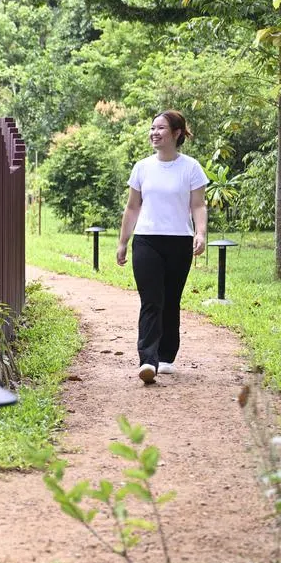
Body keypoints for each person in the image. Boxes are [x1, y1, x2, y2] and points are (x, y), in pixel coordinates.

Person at [115, 110, 208, 384]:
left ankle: (167, 355)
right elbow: (133, 207)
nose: (154, 133)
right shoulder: (142, 167)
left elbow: (198, 205)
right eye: (152, 128)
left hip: (179, 241)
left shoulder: (191, 167)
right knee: (151, 300)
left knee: (171, 300)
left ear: (177, 133)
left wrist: (200, 233)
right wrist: (123, 242)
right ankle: (148, 359)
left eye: (161, 128)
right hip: (147, 239)